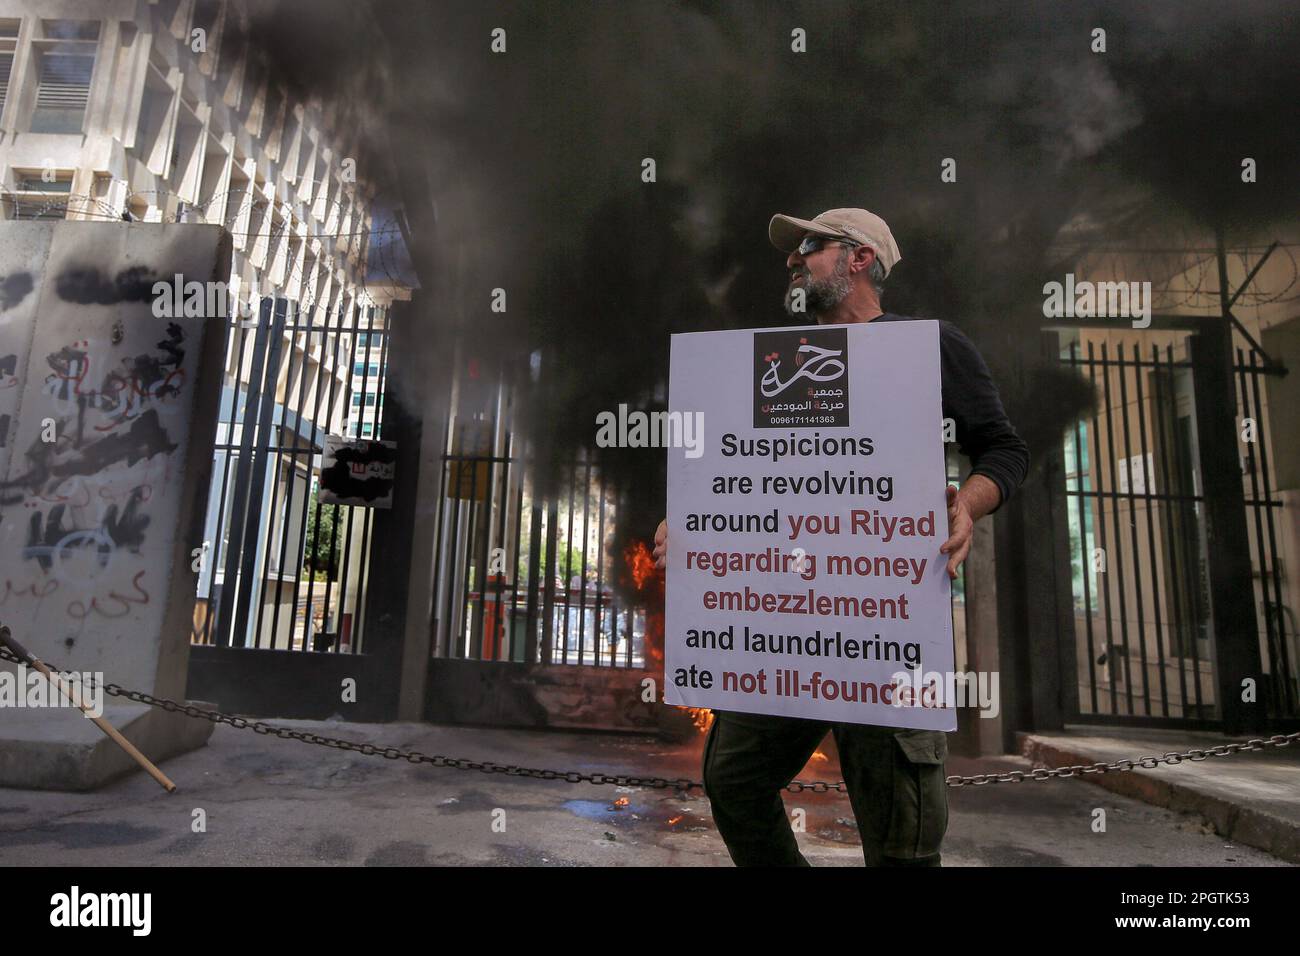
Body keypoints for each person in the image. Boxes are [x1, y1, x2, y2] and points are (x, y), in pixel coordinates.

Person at [652, 208, 1029, 866]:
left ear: (859, 258)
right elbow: (725, 469)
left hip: (884, 626)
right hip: (783, 627)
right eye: (793, 252)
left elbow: (1003, 450)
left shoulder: (928, 345)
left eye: (809, 246)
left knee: (903, 840)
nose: (792, 260)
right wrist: (684, 516)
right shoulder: (770, 361)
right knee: (734, 781)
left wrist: (967, 504)